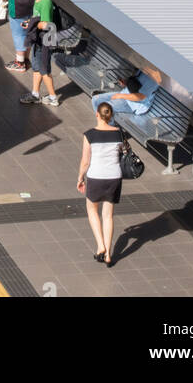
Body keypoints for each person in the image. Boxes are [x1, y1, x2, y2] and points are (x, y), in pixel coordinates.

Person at [78, 101, 123, 266]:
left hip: (96, 176)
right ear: (110, 116)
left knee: (92, 209)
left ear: (97, 114)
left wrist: (80, 178)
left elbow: (85, 161)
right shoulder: (119, 133)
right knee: (108, 215)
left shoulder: (89, 135)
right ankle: (109, 254)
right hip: (114, 176)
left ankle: (100, 246)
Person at [20, 0, 60, 106]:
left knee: (44, 70)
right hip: (38, 39)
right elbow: (36, 18)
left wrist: (33, 24)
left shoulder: (46, 2)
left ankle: (53, 98)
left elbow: (46, 24)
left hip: (45, 40)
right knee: (36, 66)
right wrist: (30, 22)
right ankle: (35, 94)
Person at [1, 0, 36, 71]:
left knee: (19, 35)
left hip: (17, 7)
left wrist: (3, 0)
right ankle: (26, 60)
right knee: (28, 33)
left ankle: (20, 63)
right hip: (32, 6)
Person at [92, 70, 159, 115]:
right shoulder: (145, 69)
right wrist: (126, 83)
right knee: (95, 99)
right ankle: (102, 124)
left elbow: (140, 97)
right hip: (124, 94)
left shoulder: (154, 78)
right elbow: (136, 85)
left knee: (105, 108)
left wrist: (120, 96)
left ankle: (109, 131)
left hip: (133, 104)